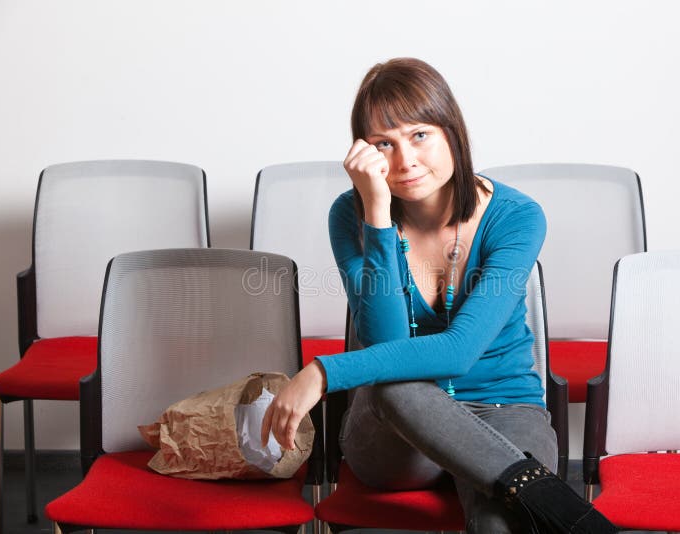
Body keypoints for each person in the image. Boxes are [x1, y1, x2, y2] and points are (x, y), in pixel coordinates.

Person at [261, 57, 616, 533]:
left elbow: (460, 351)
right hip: (395, 429)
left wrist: (324, 372)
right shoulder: (351, 215)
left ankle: (534, 493)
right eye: (384, 144)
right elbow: (387, 344)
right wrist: (377, 214)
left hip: (503, 408)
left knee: (501, 524)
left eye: (420, 135)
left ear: (452, 131)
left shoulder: (517, 216)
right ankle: (560, 505)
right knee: (395, 383)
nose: (405, 161)